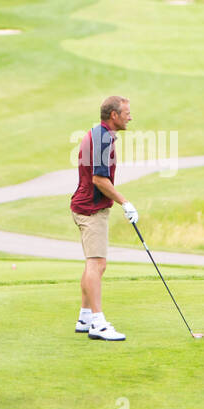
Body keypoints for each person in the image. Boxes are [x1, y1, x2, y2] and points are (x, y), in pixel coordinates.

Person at [70, 96, 137, 341]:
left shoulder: (99, 133)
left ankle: (85, 316)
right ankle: (98, 323)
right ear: (114, 116)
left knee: (96, 263)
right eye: (126, 113)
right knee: (95, 264)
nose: (130, 117)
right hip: (90, 209)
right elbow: (99, 179)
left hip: (87, 205)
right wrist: (125, 202)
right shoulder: (103, 139)